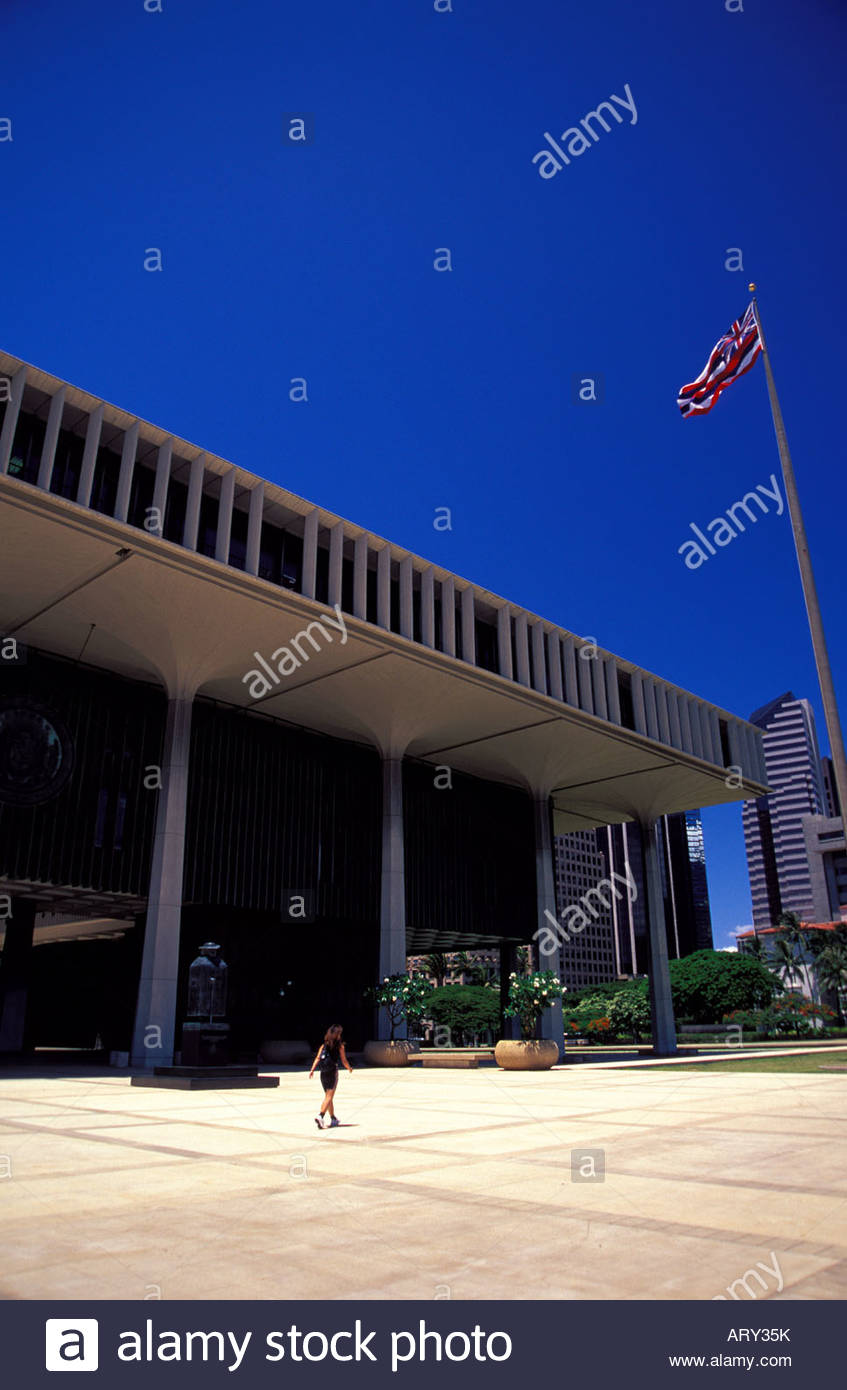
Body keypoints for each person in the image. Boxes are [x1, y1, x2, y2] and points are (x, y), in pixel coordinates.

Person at [309, 1024, 352, 1129]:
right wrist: (349, 1068)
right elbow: (344, 1060)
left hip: (323, 1073)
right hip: (332, 1072)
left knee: (328, 1096)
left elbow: (318, 1058)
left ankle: (333, 1118)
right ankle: (321, 1115)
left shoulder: (323, 1046)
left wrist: (312, 1069)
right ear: (337, 1035)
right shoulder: (340, 1046)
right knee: (329, 1096)